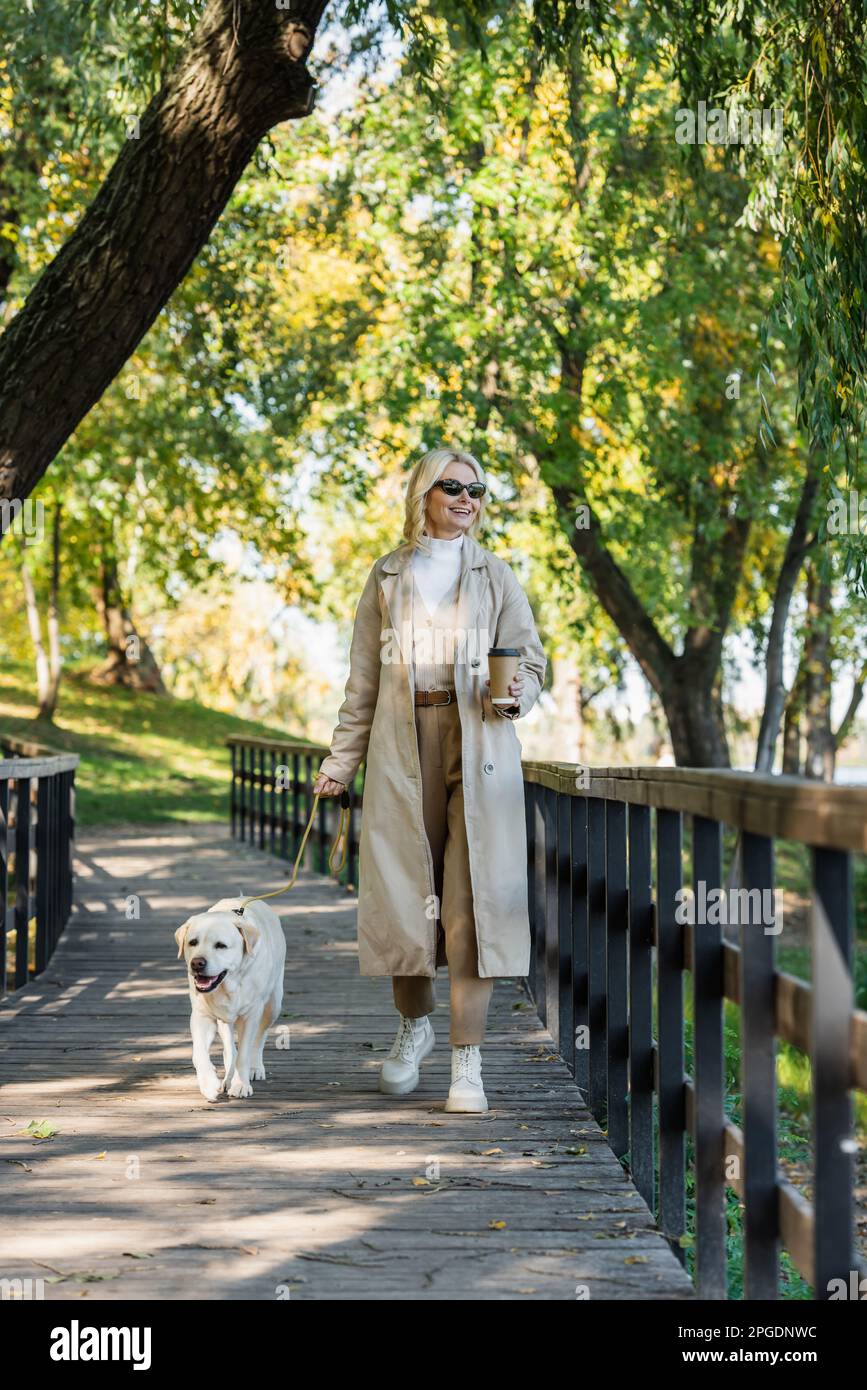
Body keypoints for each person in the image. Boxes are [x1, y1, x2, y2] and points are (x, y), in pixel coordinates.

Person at [313, 446, 546, 1112]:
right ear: (423, 493)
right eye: (453, 487)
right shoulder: (386, 574)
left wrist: (516, 696)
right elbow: (362, 680)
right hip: (399, 744)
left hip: (480, 746)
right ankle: (413, 1026)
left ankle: (466, 1060)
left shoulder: (496, 575)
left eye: (477, 490)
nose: (467, 499)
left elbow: (529, 662)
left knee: (472, 904)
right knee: (404, 894)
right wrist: (339, 762)